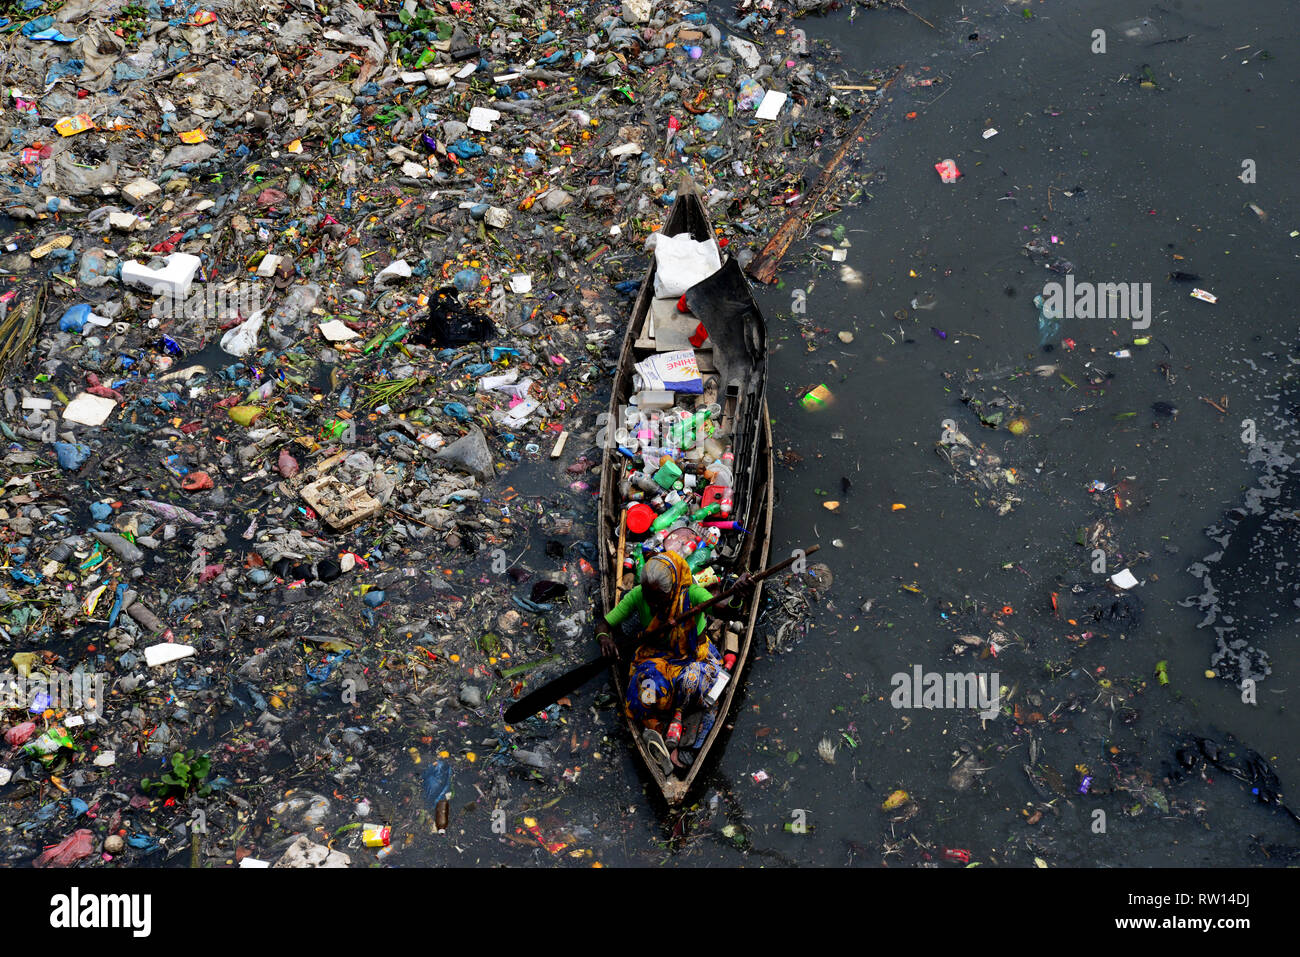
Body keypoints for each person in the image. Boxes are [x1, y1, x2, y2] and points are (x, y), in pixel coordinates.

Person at [597, 551, 723, 771]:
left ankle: (679, 713)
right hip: (656, 658)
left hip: (692, 659)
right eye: (647, 594)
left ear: (672, 589)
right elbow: (604, 625)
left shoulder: (692, 594)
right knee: (645, 686)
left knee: (691, 681)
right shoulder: (639, 594)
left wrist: (738, 597)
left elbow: (721, 609)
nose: (651, 601)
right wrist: (604, 638)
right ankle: (656, 725)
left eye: (657, 597)